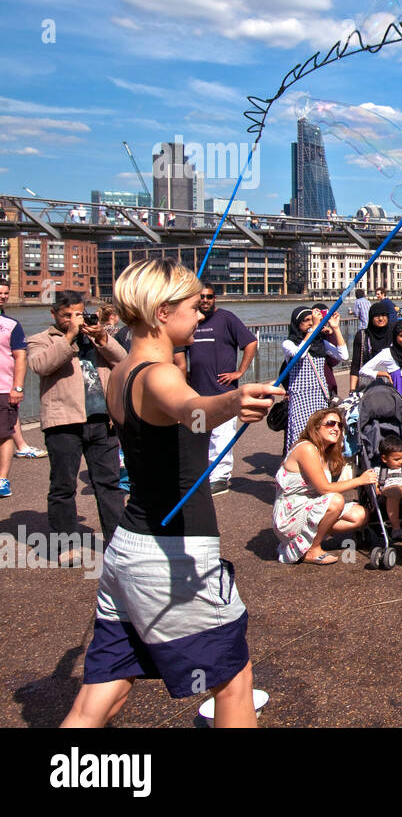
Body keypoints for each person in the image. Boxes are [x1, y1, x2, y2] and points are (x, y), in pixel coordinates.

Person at [62, 258, 283, 728]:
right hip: (172, 555)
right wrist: (233, 401)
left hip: (129, 549)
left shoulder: (124, 369)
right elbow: (190, 409)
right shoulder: (159, 375)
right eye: (192, 307)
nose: (201, 317)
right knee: (234, 679)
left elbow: (181, 412)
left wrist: (219, 406)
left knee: (101, 695)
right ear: (163, 312)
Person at [28, 292, 128, 562]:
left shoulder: (98, 337)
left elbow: (123, 361)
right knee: (63, 485)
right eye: (67, 315)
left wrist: (102, 338)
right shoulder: (40, 340)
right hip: (63, 423)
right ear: (54, 314)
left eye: (79, 314)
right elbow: (41, 365)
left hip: (101, 421)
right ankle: (65, 545)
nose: (74, 319)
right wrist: (69, 337)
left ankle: (117, 543)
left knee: (109, 484)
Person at [176, 283, 257, 495]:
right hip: (196, 394)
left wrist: (239, 372)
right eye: (201, 297)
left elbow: (250, 343)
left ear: (215, 299)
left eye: (209, 297)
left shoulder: (227, 318)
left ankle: (220, 477)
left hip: (223, 393)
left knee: (221, 437)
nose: (205, 300)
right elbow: (178, 352)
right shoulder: (190, 321)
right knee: (200, 433)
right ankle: (201, 474)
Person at [274, 408, 373, 563]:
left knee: (360, 515)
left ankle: (308, 537)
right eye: (330, 424)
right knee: (336, 501)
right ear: (316, 427)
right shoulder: (306, 448)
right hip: (291, 512)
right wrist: (359, 480)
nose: (336, 429)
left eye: (340, 426)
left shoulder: (325, 452)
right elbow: (324, 488)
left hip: (311, 504)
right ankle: (312, 549)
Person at [282, 306, 344, 455]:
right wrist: (315, 327)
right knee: (300, 434)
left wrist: (336, 329)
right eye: (306, 320)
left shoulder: (320, 343)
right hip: (300, 395)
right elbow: (299, 354)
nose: (310, 323)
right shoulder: (288, 343)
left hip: (319, 394)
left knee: (320, 433)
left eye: (313, 319)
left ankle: (319, 466)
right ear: (297, 323)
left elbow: (343, 355)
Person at [0, 279, 28, 494]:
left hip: (4, 389)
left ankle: (2, 480)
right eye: (0, 292)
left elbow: (21, 357)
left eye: (6, 293)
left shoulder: (11, 325)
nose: (3, 296)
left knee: (4, 434)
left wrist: (17, 388)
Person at [350, 302, 394, 394]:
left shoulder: (394, 335)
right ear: (371, 318)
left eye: (383, 315)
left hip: (391, 384)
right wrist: (352, 390)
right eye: (377, 316)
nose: (381, 318)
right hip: (366, 386)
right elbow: (355, 366)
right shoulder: (362, 336)